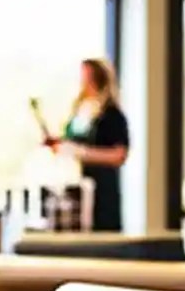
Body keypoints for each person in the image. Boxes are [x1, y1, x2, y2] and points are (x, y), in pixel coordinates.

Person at [46, 58, 130, 232]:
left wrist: (83, 153)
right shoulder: (79, 112)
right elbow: (72, 141)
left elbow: (119, 155)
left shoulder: (112, 115)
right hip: (74, 189)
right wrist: (60, 146)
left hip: (101, 193)